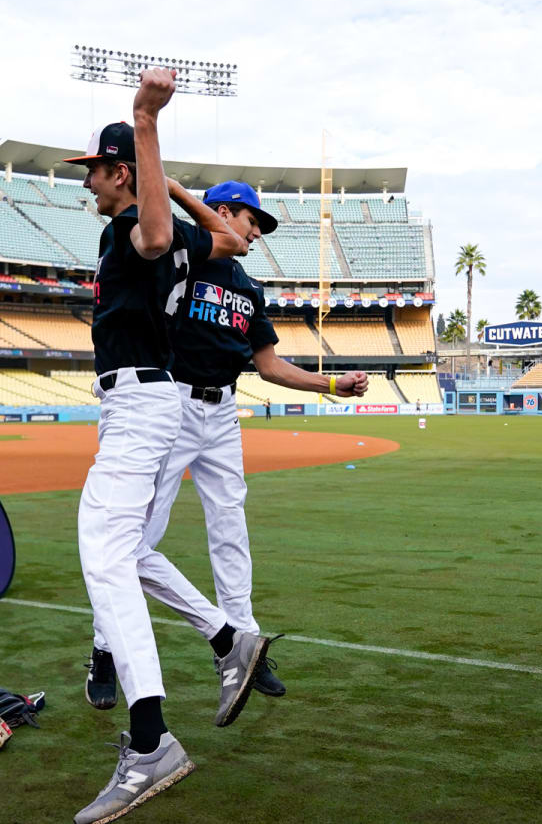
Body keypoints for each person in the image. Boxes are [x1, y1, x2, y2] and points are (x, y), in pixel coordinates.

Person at [85, 179, 368, 715]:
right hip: (169, 405)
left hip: (222, 413)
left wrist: (331, 386)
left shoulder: (248, 287)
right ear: (220, 212)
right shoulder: (183, 254)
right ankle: (104, 647)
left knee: (230, 527)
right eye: (250, 220)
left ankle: (244, 646)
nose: (256, 233)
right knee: (139, 534)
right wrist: (178, 193)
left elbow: (269, 365)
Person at [66, 70, 254, 824]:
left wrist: (145, 120)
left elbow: (148, 232)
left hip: (142, 399)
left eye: (96, 173)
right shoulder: (179, 233)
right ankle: (227, 637)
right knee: (133, 548)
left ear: (120, 170)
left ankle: (150, 742)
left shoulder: (135, 231)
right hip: (149, 402)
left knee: (104, 552)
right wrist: (171, 187)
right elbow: (235, 237)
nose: (90, 187)